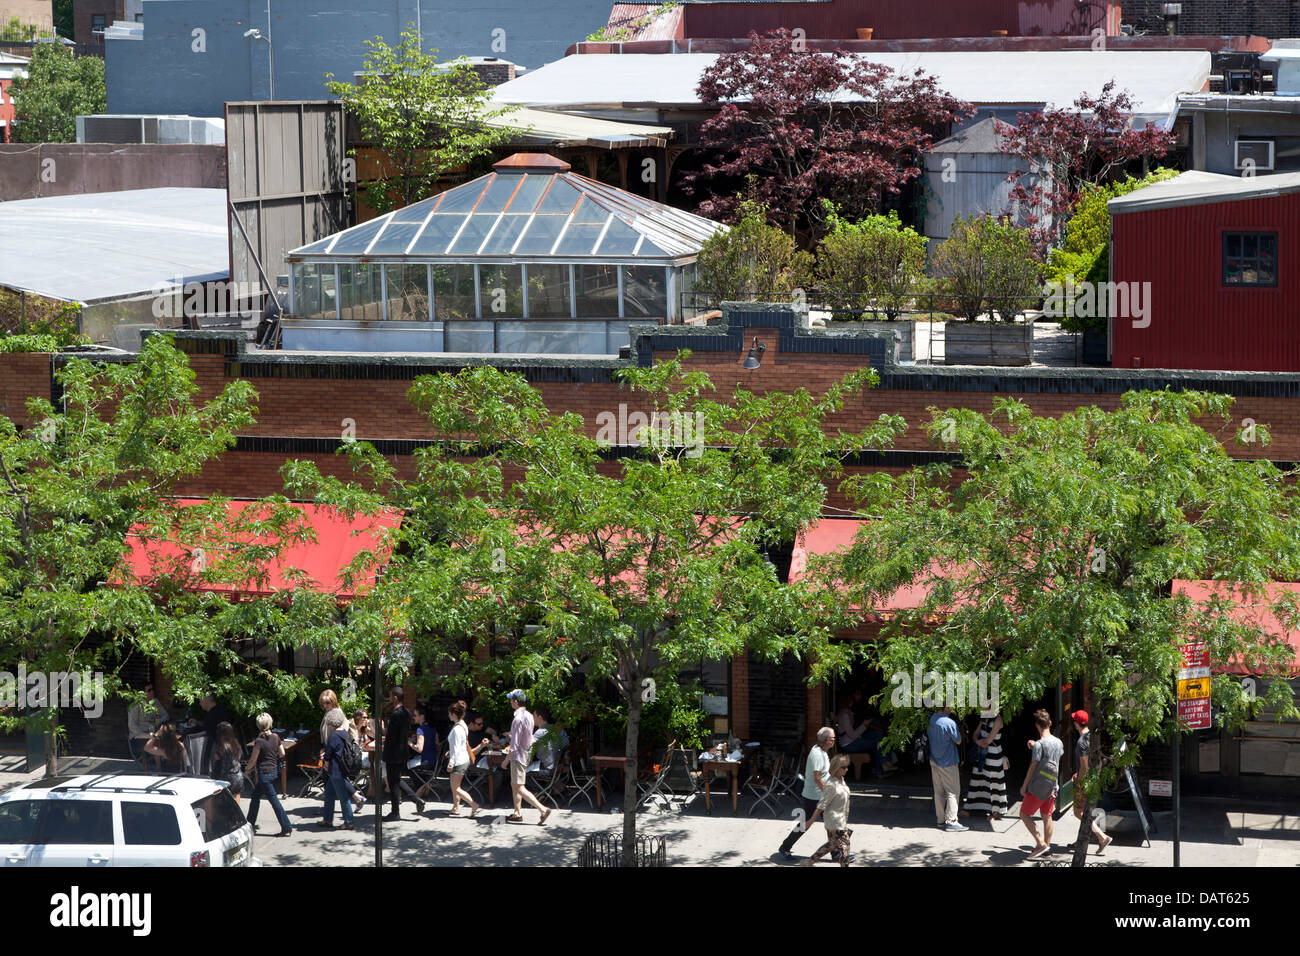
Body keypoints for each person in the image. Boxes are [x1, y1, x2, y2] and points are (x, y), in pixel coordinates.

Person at [777, 726, 837, 860]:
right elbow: (817, 777)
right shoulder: (817, 755)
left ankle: (836, 853)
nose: (834, 741)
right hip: (815, 796)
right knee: (807, 824)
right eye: (833, 739)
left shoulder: (822, 751)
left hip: (818, 795)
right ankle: (785, 847)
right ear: (826, 740)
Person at [1020, 708, 1064, 860]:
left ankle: (1041, 843)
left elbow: (1033, 767)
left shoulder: (1039, 745)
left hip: (1038, 786)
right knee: (1047, 816)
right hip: (1052, 786)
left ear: (1037, 726)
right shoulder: (1058, 742)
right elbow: (1053, 758)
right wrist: (1035, 746)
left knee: (1024, 814)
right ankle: (1047, 849)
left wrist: (1024, 785)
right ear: (1050, 723)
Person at [244, 713, 293, 837]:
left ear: (258, 726)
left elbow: (253, 759)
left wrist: (247, 770)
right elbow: (282, 753)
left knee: (274, 802)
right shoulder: (276, 737)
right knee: (255, 796)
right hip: (273, 771)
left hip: (264, 774)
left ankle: (286, 827)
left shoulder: (259, 741)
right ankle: (249, 823)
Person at [505, 689, 550, 825]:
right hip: (525, 754)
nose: (510, 702)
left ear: (516, 701)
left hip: (518, 756)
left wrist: (506, 760)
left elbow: (515, 744)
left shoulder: (517, 719)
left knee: (519, 787)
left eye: (511, 700)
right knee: (515, 784)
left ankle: (542, 809)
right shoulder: (530, 716)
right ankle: (517, 813)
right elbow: (527, 737)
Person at [1070, 710, 1112, 854]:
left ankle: (1102, 837)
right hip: (1093, 779)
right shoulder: (1092, 737)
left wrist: (1079, 782)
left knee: (1078, 812)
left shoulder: (1081, 741)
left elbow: (1084, 765)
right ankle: (1081, 840)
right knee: (1083, 811)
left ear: (1077, 723)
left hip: (1085, 781)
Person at [802, 755, 854, 866]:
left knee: (832, 845)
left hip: (841, 818)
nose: (847, 769)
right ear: (836, 768)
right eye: (844, 767)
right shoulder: (831, 785)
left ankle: (810, 862)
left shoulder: (841, 779)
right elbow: (821, 805)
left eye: (847, 767)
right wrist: (810, 821)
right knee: (845, 845)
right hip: (835, 822)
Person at [382, 688, 424, 820]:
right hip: (403, 752)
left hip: (393, 752)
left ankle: (395, 813)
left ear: (395, 698)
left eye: (390, 696)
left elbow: (392, 736)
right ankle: (416, 799)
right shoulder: (406, 712)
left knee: (393, 781)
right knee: (396, 779)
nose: (389, 699)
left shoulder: (396, 714)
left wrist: (384, 743)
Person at [963, 710, 1008, 820]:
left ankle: (995, 812)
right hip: (982, 754)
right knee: (977, 780)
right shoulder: (984, 716)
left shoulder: (998, 719)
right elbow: (975, 735)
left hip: (993, 755)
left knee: (994, 782)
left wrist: (979, 741)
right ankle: (970, 808)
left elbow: (988, 740)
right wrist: (978, 742)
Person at [929, 706, 966, 832]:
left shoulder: (931, 719)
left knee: (938, 792)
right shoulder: (949, 722)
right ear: (945, 707)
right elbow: (959, 741)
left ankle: (940, 820)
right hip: (948, 761)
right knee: (953, 791)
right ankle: (951, 821)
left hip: (934, 759)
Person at [322, 710, 356, 830]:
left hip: (335, 770)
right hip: (341, 769)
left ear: (331, 724)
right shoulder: (345, 734)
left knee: (343, 797)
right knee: (329, 794)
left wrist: (326, 764)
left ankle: (348, 821)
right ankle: (327, 819)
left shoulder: (333, 736)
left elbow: (328, 754)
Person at [446, 700, 481, 817]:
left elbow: (456, 749)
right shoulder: (463, 725)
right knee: (456, 786)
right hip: (463, 758)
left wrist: (450, 764)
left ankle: (474, 804)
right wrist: (450, 752)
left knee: (456, 788)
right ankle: (456, 808)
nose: (448, 715)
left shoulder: (456, 729)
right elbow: (460, 745)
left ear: (454, 714)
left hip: (458, 761)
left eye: (449, 713)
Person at [127, 683, 168, 762]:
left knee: (166, 737)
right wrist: (145, 735)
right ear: (143, 693)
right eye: (149, 690)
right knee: (157, 740)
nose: (152, 692)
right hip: (138, 736)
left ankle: (166, 764)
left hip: (152, 732)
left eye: (152, 689)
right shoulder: (136, 705)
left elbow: (166, 715)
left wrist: (157, 722)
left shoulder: (155, 702)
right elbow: (132, 726)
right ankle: (160, 767)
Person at [210, 721, 245, 805]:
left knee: (223, 802)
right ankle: (238, 816)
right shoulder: (236, 743)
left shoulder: (221, 746)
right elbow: (239, 757)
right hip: (238, 776)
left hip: (226, 778)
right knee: (236, 797)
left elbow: (216, 758)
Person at [199, 694, 233, 775]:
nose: (200, 703)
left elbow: (207, 730)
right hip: (229, 745)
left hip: (216, 748)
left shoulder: (211, 715)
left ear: (207, 700)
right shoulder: (222, 710)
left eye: (201, 700)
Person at [529, 705, 569, 774]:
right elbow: (567, 747)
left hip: (545, 768)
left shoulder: (540, 732)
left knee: (521, 772)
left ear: (540, 717)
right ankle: (555, 784)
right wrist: (566, 764)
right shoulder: (559, 730)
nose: (532, 718)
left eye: (533, 716)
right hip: (558, 766)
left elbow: (528, 748)